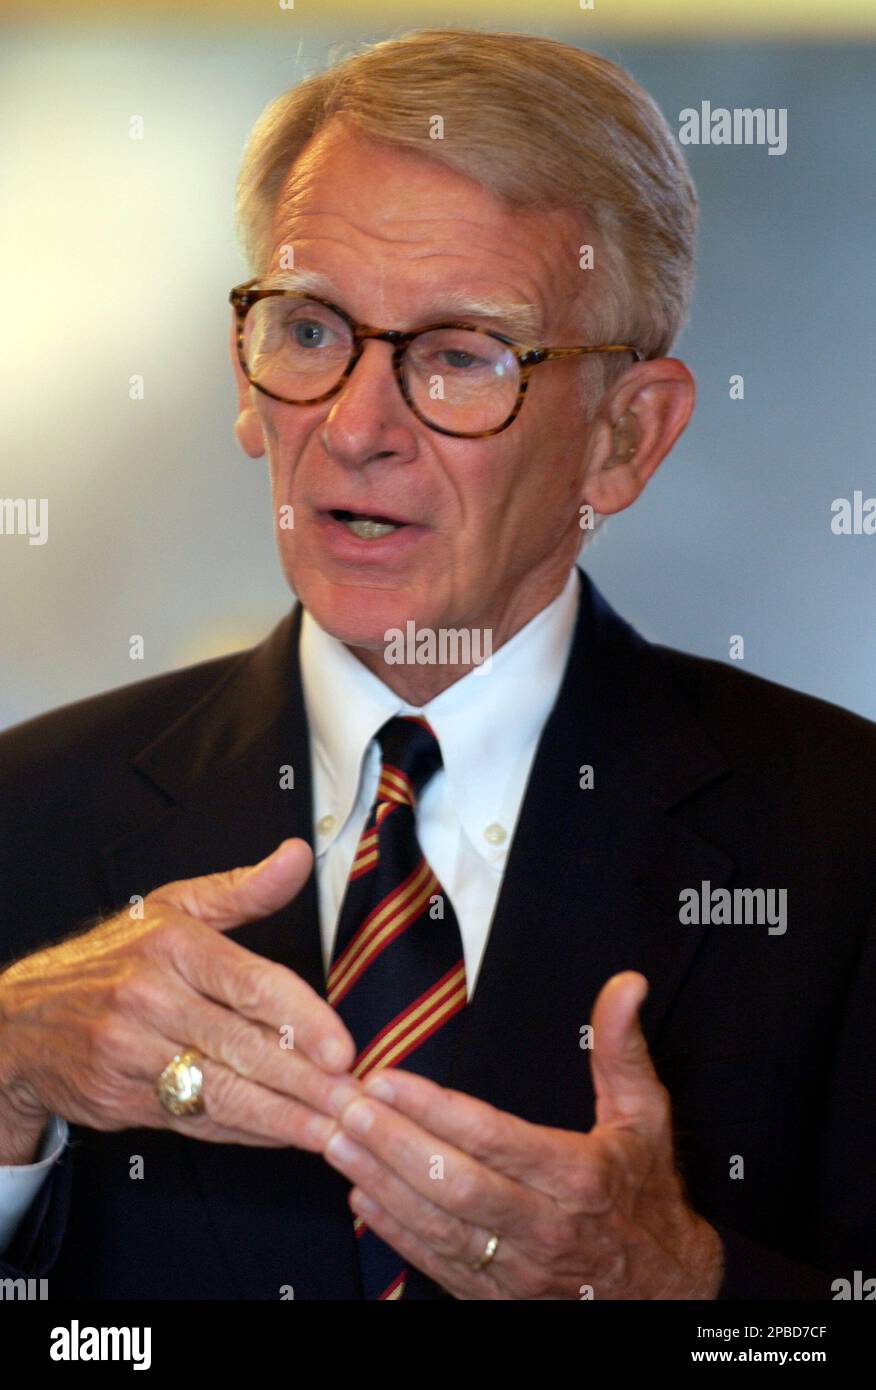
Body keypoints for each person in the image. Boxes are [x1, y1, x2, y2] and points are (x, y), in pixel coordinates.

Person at [1, 27, 874, 1301]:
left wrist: (676, 1285)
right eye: (309, 333)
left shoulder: (846, 841)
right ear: (244, 385)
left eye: (461, 356)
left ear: (627, 438)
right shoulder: (24, 814)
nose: (355, 430)